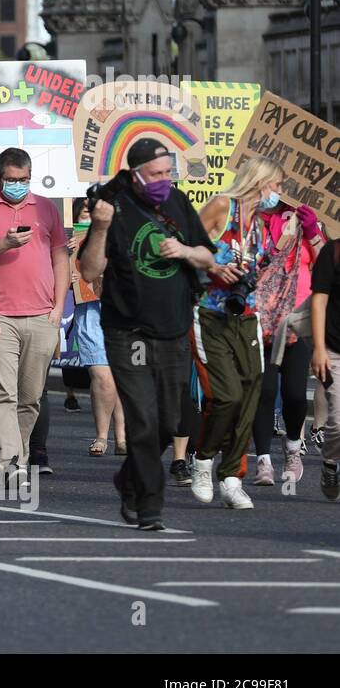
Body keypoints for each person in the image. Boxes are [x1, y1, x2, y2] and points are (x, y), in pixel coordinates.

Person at [79, 139, 216, 531]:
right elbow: (89, 271)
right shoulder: (112, 204)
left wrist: (185, 252)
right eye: (155, 174)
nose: (164, 181)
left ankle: (128, 479)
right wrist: (101, 227)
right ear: (136, 174)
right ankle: (149, 506)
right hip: (129, 331)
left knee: (171, 419)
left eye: (168, 173)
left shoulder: (177, 202)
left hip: (174, 328)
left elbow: (208, 255)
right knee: (142, 420)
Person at [0, 147, 69, 473]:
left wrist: (57, 308)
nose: (17, 185)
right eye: (11, 180)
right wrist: (5, 244)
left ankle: (18, 456)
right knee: (1, 395)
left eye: (23, 180)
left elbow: (61, 259)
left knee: (30, 398)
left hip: (42, 316)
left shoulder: (46, 208)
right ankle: (10, 462)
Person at [189, 154, 282, 509]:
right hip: (211, 313)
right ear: (259, 182)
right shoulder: (222, 206)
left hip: (247, 316)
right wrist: (215, 264)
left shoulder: (263, 223)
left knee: (249, 395)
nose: (279, 193)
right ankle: (203, 459)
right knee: (226, 395)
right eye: (276, 185)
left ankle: (231, 477)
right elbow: (188, 248)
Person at [249, 196, 324, 486]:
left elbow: (328, 264)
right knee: (265, 390)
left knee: (294, 393)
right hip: (262, 318)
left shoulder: (310, 221)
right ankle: (263, 460)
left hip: (299, 319)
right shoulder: (259, 221)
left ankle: (293, 447)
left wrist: (313, 232)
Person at [68, 198, 126, 458]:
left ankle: (123, 436)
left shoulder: (126, 233)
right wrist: (67, 259)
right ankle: (102, 435)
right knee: (102, 376)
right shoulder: (74, 237)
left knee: (123, 377)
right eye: (87, 213)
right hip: (91, 311)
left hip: (124, 312)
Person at [309, 235, 340, 502]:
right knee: (339, 421)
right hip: (335, 350)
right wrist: (319, 349)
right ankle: (330, 462)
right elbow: (319, 300)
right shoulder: (333, 251)